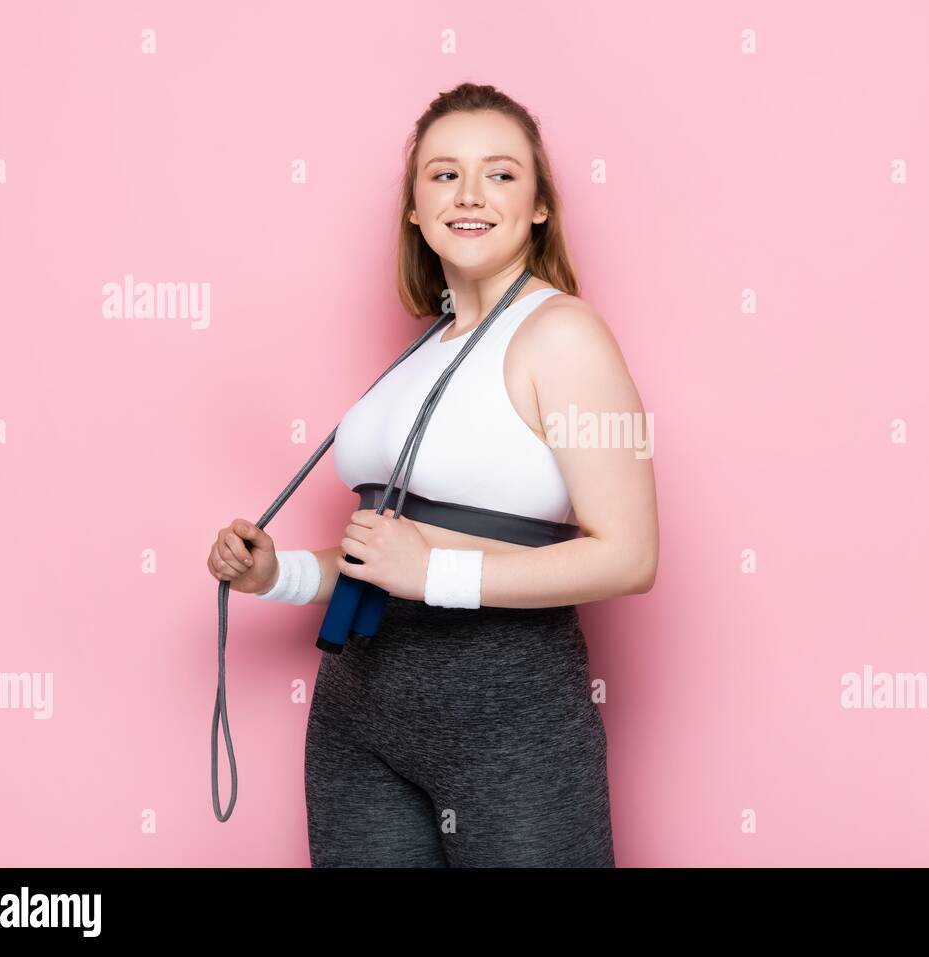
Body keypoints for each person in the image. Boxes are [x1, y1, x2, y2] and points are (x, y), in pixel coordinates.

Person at [204, 82, 658, 866]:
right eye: (444, 174)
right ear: (415, 208)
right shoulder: (424, 348)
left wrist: (436, 571)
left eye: (502, 173)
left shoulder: (565, 335)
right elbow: (386, 557)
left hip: (509, 719)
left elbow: (630, 556)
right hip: (359, 718)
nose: (471, 194)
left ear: (540, 205)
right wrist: (277, 575)